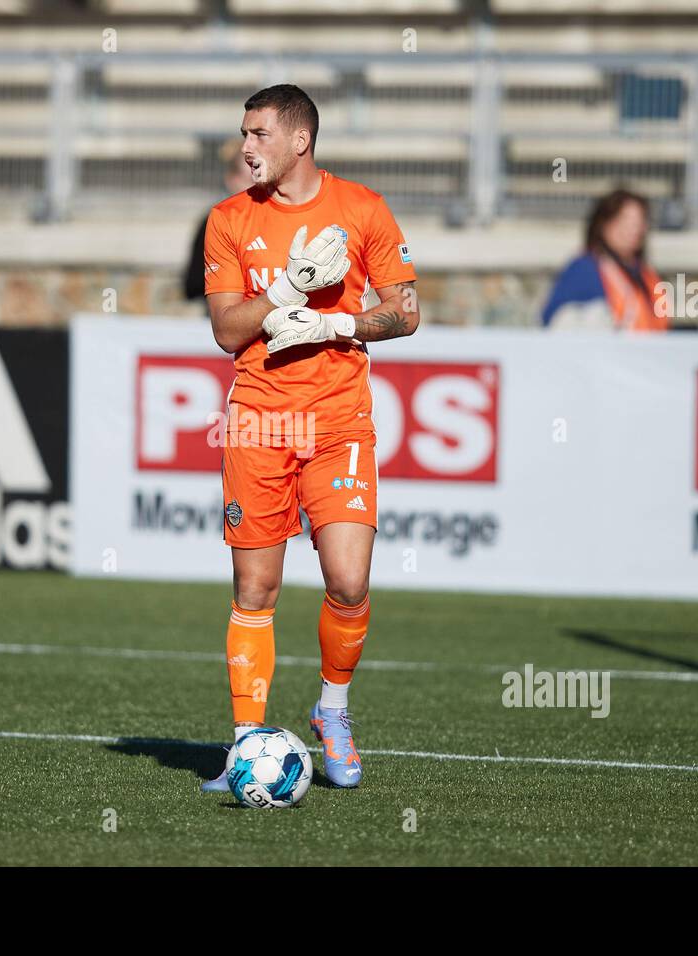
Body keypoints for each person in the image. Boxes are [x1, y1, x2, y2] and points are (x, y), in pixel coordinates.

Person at [200, 83, 420, 791]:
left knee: (349, 581)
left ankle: (333, 710)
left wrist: (338, 324)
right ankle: (245, 745)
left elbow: (406, 313)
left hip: (338, 419)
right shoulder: (229, 219)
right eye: (244, 133)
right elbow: (228, 330)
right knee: (256, 587)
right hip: (260, 418)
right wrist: (289, 291)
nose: (245, 147)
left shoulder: (362, 209)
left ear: (300, 140)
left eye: (259, 134)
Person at [541, 189, 668, 331]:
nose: (634, 229)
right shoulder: (585, 270)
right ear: (604, 224)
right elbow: (556, 321)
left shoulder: (645, 275)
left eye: (639, 221)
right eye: (625, 220)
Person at [183, 140, 254, 302]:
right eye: (249, 179)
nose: (257, 186)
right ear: (231, 180)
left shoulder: (274, 220)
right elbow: (193, 285)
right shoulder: (213, 222)